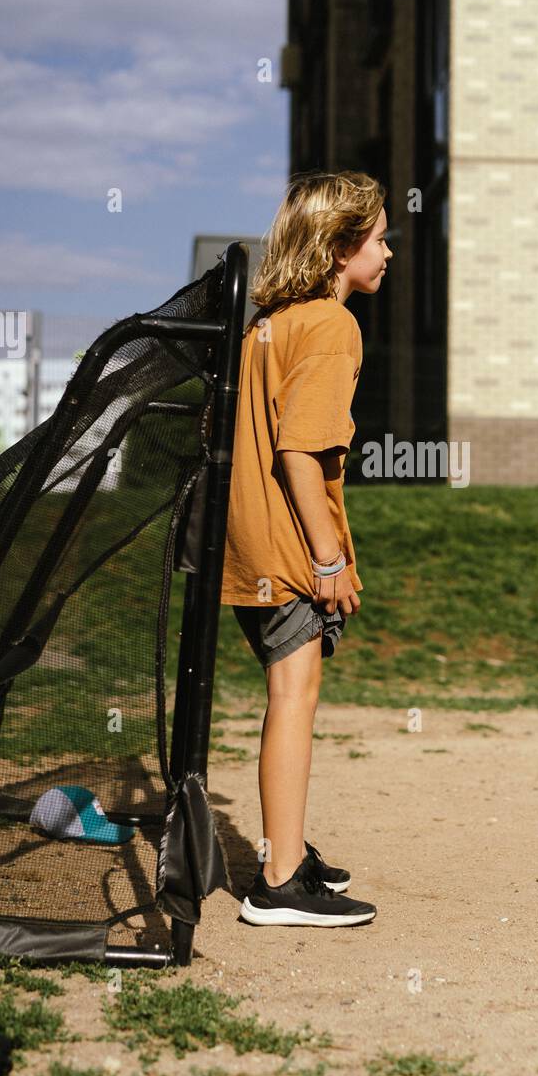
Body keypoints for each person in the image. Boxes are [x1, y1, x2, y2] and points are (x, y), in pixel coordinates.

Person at [220, 170, 392, 928]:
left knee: (288, 696)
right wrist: (329, 560)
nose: (389, 253)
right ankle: (280, 883)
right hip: (287, 551)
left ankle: (286, 851)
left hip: (243, 545)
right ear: (341, 247)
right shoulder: (330, 325)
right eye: (381, 239)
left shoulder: (270, 321)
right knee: (295, 699)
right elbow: (299, 451)